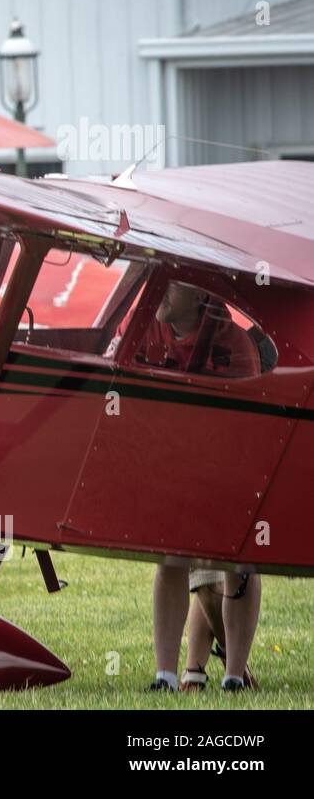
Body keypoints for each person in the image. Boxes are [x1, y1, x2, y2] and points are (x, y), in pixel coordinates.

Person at [138, 281, 262, 692]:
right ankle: (165, 675)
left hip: (227, 469)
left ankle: (233, 677)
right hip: (171, 463)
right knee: (170, 558)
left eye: (172, 286)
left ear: (201, 295)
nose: (160, 293)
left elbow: (247, 431)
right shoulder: (145, 329)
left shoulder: (235, 346)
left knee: (237, 566)